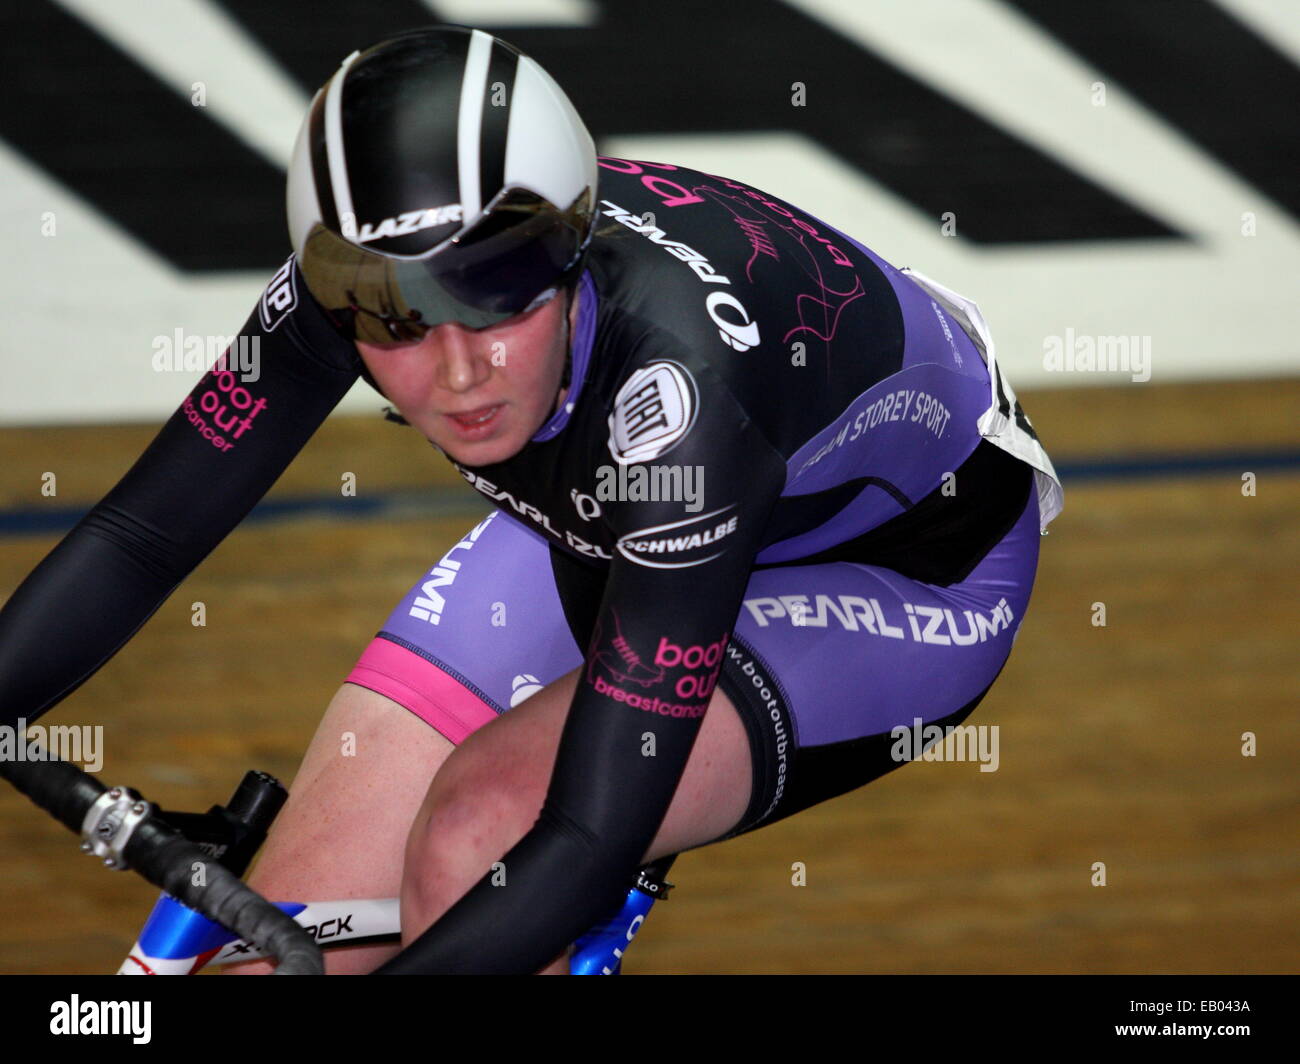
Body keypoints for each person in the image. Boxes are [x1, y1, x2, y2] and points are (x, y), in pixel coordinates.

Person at [0, 25, 1062, 974]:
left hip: (903, 565)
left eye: (496, 291)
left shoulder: (681, 392)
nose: (457, 372)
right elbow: (143, 535)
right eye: (398, 319)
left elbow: (587, 833)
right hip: (619, 520)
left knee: (479, 833)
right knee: (281, 925)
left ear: (568, 247)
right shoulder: (358, 281)